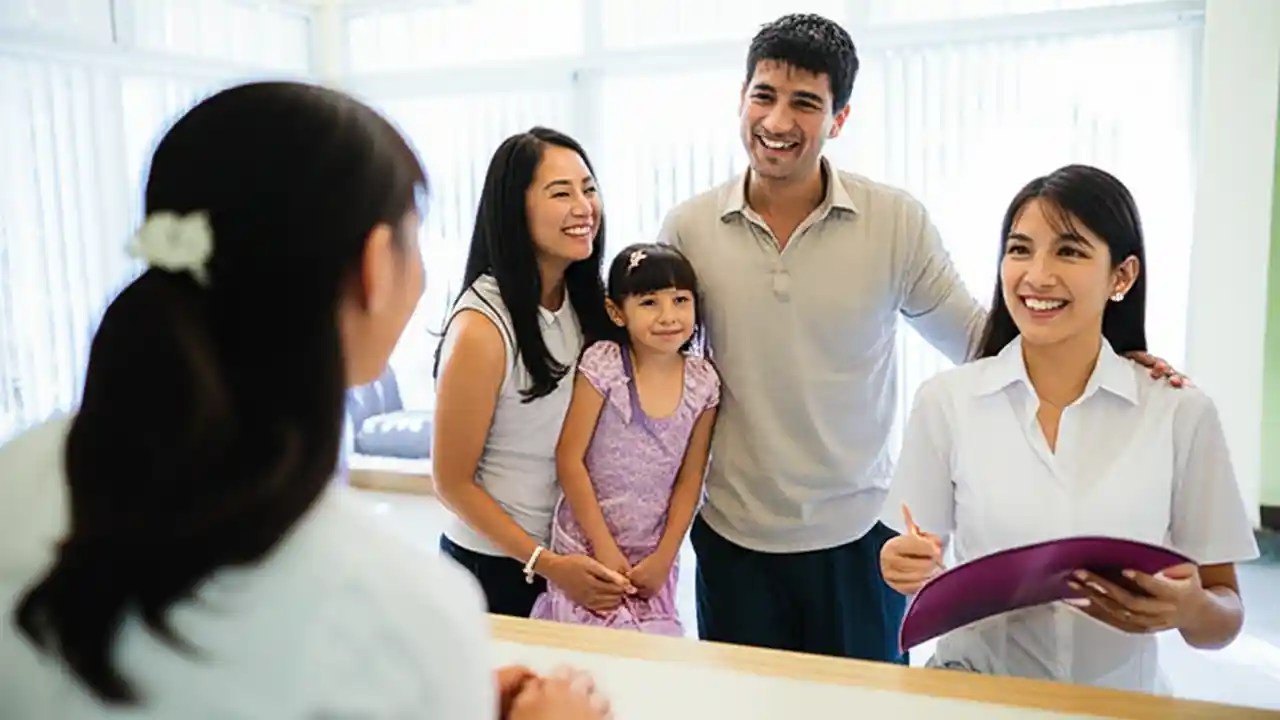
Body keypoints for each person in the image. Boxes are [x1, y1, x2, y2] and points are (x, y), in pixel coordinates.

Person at [0, 82, 610, 720]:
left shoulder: (17, 476)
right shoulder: (397, 612)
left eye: (587, 188)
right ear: (375, 266)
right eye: (413, 235)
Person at [657, 12, 1182, 662]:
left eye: (805, 103)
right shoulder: (688, 228)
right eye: (763, 95)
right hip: (734, 537)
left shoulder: (894, 222)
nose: (777, 121)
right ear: (741, 98)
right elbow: (656, 371)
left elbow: (978, 340)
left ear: (838, 118)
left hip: (859, 536)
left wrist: (1109, 362)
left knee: (870, 709)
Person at [879, 164, 1259, 693]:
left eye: (1070, 250)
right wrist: (901, 565)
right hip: (975, 694)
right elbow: (916, 557)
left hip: (1120, 702)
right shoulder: (946, 403)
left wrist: (1190, 608)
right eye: (1019, 249)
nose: (1037, 274)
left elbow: (1225, 617)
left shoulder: (1179, 414)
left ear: (1121, 277)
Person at [433, 127, 634, 619]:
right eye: (560, 192)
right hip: (493, 568)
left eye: (588, 188)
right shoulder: (482, 327)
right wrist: (546, 564)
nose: (584, 206)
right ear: (514, 209)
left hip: (565, 555)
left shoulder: (582, 300)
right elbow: (450, 480)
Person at [531, 243, 719, 635]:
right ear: (617, 312)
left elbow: (691, 478)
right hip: (588, 549)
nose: (669, 316)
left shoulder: (704, 382)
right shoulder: (605, 363)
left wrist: (666, 555)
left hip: (652, 558)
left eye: (680, 300)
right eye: (649, 303)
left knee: (648, 667)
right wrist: (603, 547)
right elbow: (570, 459)